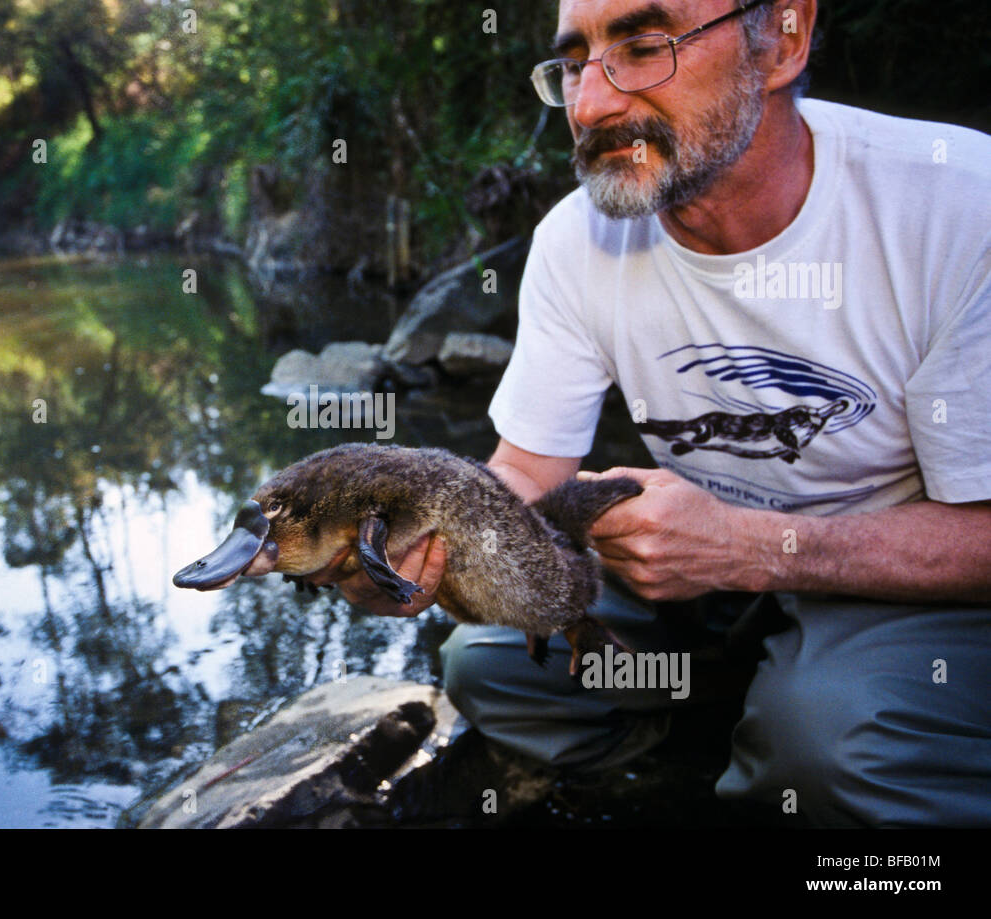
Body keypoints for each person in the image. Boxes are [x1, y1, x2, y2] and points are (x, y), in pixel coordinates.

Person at [308, 0, 991, 826]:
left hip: (896, 578)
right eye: (574, 63)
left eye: (643, 46)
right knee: (489, 665)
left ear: (784, 38)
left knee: (833, 744)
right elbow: (522, 474)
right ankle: (707, 744)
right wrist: (419, 552)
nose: (591, 103)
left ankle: (806, 746)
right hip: (699, 593)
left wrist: (749, 549)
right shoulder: (576, 240)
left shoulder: (958, 207)